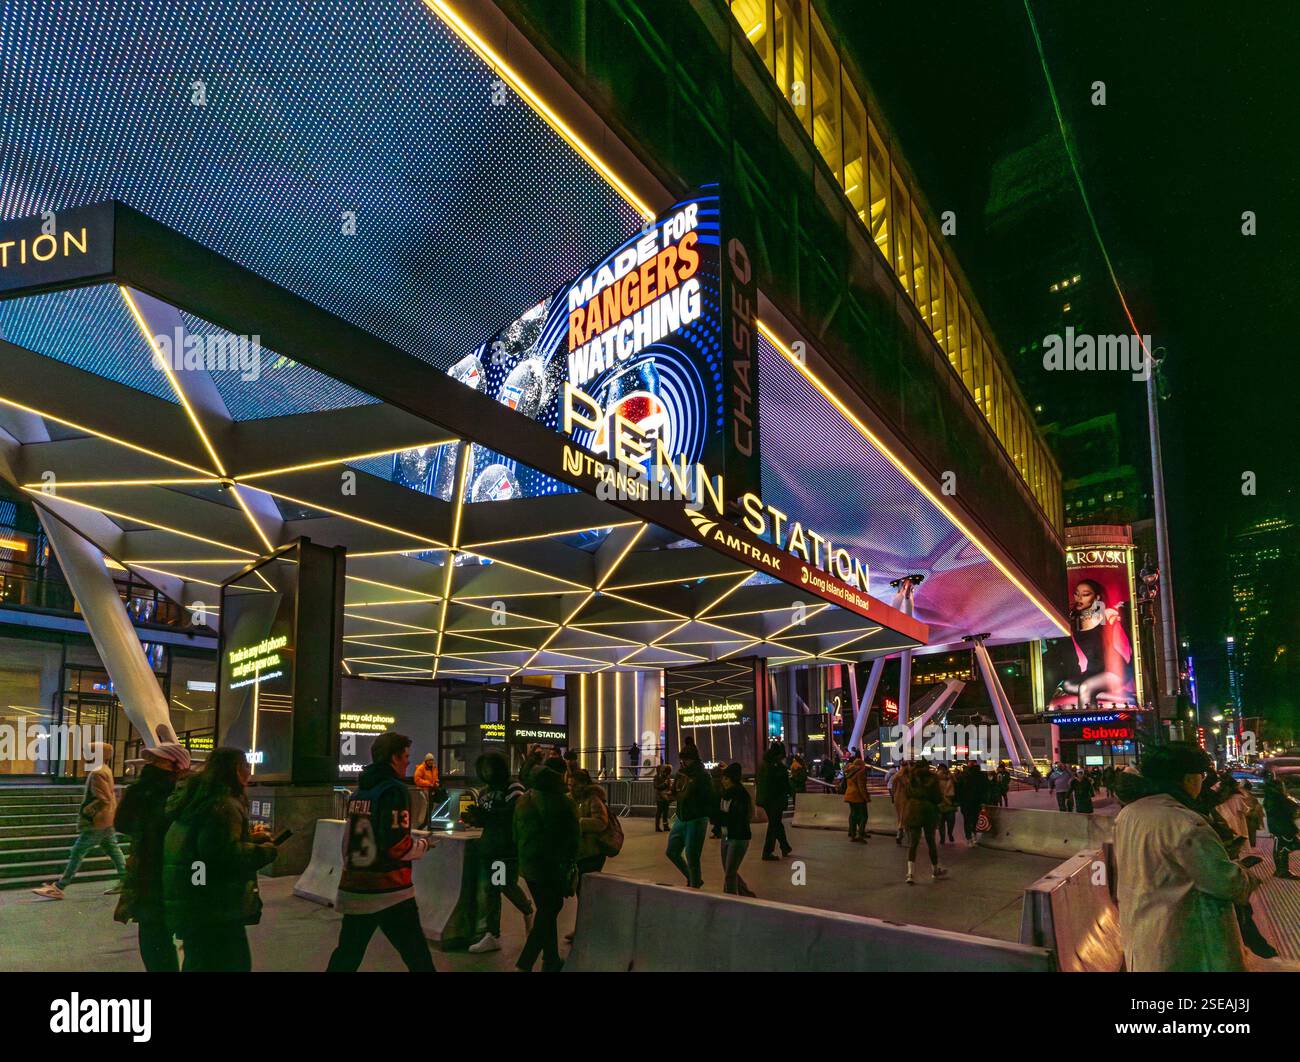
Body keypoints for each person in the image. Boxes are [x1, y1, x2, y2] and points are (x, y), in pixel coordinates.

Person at [1113, 743, 1257, 971]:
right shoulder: (1186, 823)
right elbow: (1225, 883)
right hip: (1185, 948)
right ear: (1189, 779)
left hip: (1143, 941)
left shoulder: (1128, 814)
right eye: (1201, 775)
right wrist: (1245, 874)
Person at [162, 747, 280, 971]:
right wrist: (265, 851)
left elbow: (206, 845)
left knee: (199, 961)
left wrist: (249, 839)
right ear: (236, 769)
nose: (250, 772)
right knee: (230, 963)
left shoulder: (197, 799)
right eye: (246, 766)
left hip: (194, 902)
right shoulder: (223, 806)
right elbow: (223, 856)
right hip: (215, 908)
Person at [328, 732, 436, 972]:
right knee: (418, 957)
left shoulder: (359, 793)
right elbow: (398, 846)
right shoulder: (394, 791)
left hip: (355, 887)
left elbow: (347, 842)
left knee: (347, 955)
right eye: (406, 756)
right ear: (394, 757)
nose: (409, 762)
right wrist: (424, 845)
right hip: (390, 890)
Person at [112, 742, 191, 971]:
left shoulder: (170, 790)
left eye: (159, 760)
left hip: (161, 868)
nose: (152, 764)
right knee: (156, 932)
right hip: (160, 868)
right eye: (152, 760)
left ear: (176, 764)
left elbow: (124, 823)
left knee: (156, 932)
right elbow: (124, 823)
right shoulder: (149, 790)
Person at [33, 742, 126, 900]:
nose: (86, 756)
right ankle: (126, 881)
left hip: (97, 821)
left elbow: (103, 798)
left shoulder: (97, 772)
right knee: (113, 850)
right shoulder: (105, 769)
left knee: (78, 852)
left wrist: (88, 810)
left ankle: (59, 887)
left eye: (90, 752)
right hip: (106, 819)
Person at [460, 751, 533, 954]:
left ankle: (525, 912)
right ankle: (492, 933)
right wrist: (474, 818)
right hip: (489, 847)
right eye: (483, 769)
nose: (486, 772)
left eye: (489, 768)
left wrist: (488, 815)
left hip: (506, 849)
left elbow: (515, 814)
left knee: (502, 885)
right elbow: (487, 819)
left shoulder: (513, 788)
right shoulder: (484, 792)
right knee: (493, 888)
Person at [514, 756, 580, 972]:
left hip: (529, 865)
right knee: (551, 909)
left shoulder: (525, 798)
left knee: (545, 909)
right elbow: (572, 837)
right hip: (551, 866)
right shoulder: (562, 801)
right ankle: (524, 964)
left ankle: (550, 959)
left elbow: (516, 832)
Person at [666, 742, 714, 884]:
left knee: (692, 856)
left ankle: (694, 885)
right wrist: (673, 795)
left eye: (685, 760)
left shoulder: (702, 776)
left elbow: (707, 797)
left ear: (692, 759)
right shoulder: (682, 773)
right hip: (682, 817)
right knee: (672, 851)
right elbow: (676, 791)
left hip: (696, 819)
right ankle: (694, 880)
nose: (683, 763)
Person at [714, 762, 756, 896]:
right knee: (729, 870)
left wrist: (721, 818)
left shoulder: (741, 795)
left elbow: (738, 817)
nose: (723, 781)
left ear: (732, 779)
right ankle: (745, 893)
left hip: (738, 837)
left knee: (729, 874)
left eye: (725, 778)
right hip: (725, 836)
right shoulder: (724, 794)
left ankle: (730, 900)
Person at [902, 761, 947, 884]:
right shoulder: (932, 779)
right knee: (930, 841)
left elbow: (906, 794)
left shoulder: (910, 779)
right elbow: (937, 797)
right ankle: (935, 869)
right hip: (928, 811)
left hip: (913, 811)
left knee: (913, 843)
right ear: (927, 767)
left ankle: (910, 873)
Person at [755, 740, 793, 861]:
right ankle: (767, 852)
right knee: (774, 824)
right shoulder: (777, 767)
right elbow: (784, 785)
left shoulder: (763, 765)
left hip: (765, 799)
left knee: (776, 823)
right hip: (775, 800)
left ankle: (785, 846)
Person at [1261, 772, 1299, 879]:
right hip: (1281, 825)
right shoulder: (1275, 796)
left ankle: (1281, 871)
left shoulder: (1274, 795)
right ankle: (1282, 871)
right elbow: (1279, 810)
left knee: (1283, 846)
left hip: (1281, 825)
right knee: (1284, 846)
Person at [955, 760, 987, 846]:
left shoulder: (964, 775)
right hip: (977, 801)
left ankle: (969, 838)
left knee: (967, 820)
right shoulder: (981, 775)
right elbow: (984, 789)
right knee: (975, 818)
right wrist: (983, 801)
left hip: (966, 802)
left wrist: (959, 801)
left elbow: (959, 789)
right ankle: (973, 835)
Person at [843, 753, 871, 843]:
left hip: (849, 795)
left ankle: (852, 833)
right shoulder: (860, 772)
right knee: (864, 816)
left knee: (853, 815)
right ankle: (861, 834)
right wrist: (866, 798)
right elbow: (861, 787)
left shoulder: (850, 770)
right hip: (858, 796)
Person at [413, 751, 441, 828]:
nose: (431, 762)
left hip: (431, 791)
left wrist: (436, 783)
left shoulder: (434, 768)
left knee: (430, 808)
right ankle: (422, 824)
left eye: (432, 760)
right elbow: (417, 780)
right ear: (426, 761)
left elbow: (435, 778)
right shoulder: (421, 768)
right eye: (430, 760)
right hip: (423, 791)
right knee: (425, 808)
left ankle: (426, 824)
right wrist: (429, 783)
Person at [935, 763, 957, 843]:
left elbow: (957, 786)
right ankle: (942, 838)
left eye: (943, 768)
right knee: (941, 823)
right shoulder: (935, 779)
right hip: (940, 802)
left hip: (949, 802)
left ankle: (950, 833)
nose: (942, 770)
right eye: (940, 769)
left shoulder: (951, 777)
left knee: (951, 821)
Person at [891, 762, 912, 845]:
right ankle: (907, 837)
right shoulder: (908, 777)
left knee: (900, 816)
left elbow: (893, 788)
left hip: (897, 798)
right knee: (906, 817)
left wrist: (893, 796)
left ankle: (899, 834)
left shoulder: (896, 776)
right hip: (906, 798)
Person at [652, 762, 674, 832]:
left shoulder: (666, 777)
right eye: (662, 768)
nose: (663, 769)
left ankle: (666, 826)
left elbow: (668, 787)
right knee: (659, 812)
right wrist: (664, 784)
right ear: (659, 769)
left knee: (665, 813)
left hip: (666, 797)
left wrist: (669, 788)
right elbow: (656, 786)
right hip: (660, 797)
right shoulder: (656, 777)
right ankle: (657, 827)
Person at [708, 763, 725, 838]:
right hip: (720, 803)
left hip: (714, 803)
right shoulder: (722, 782)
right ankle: (717, 832)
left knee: (716, 818)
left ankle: (717, 832)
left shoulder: (712, 782)